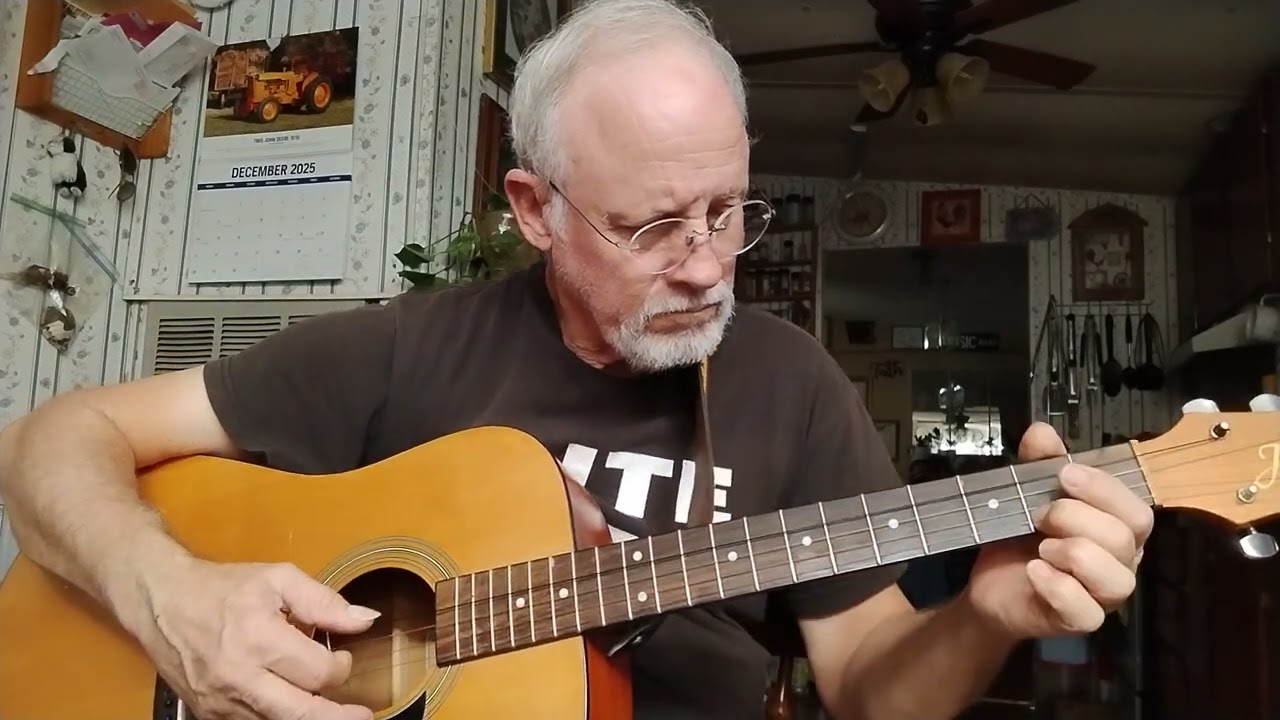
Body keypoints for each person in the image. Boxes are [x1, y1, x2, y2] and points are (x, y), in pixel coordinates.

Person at [0, 1, 1152, 719]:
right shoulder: (407, 350)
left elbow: (865, 691)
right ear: (534, 211)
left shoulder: (789, 383)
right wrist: (170, 599)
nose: (706, 266)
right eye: (651, 227)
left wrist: (986, 614)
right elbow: (55, 440)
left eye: (726, 212)